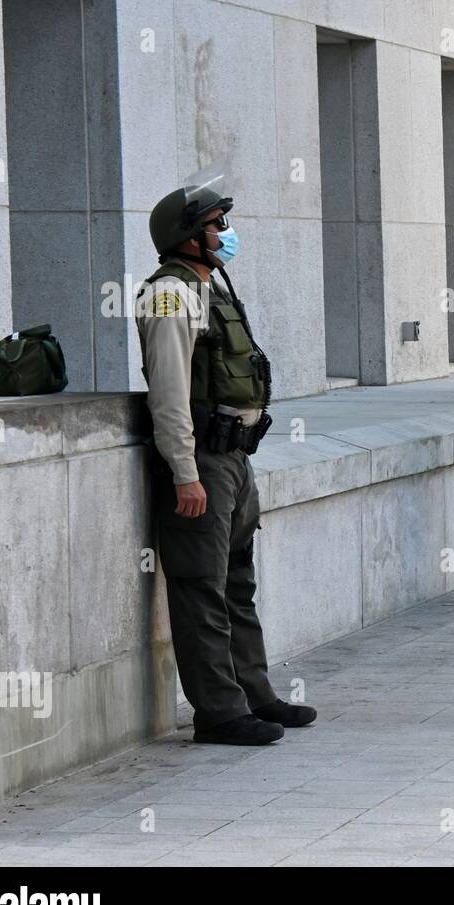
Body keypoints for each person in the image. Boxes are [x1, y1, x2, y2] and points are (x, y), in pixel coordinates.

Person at [136, 178, 315, 745]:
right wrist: (185, 472)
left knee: (238, 582)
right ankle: (218, 711)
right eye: (215, 224)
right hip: (204, 461)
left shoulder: (211, 287)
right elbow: (167, 391)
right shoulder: (170, 293)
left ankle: (253, 694)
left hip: (237, 456)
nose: (225, 232)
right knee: (201, 586)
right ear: (188, 236)